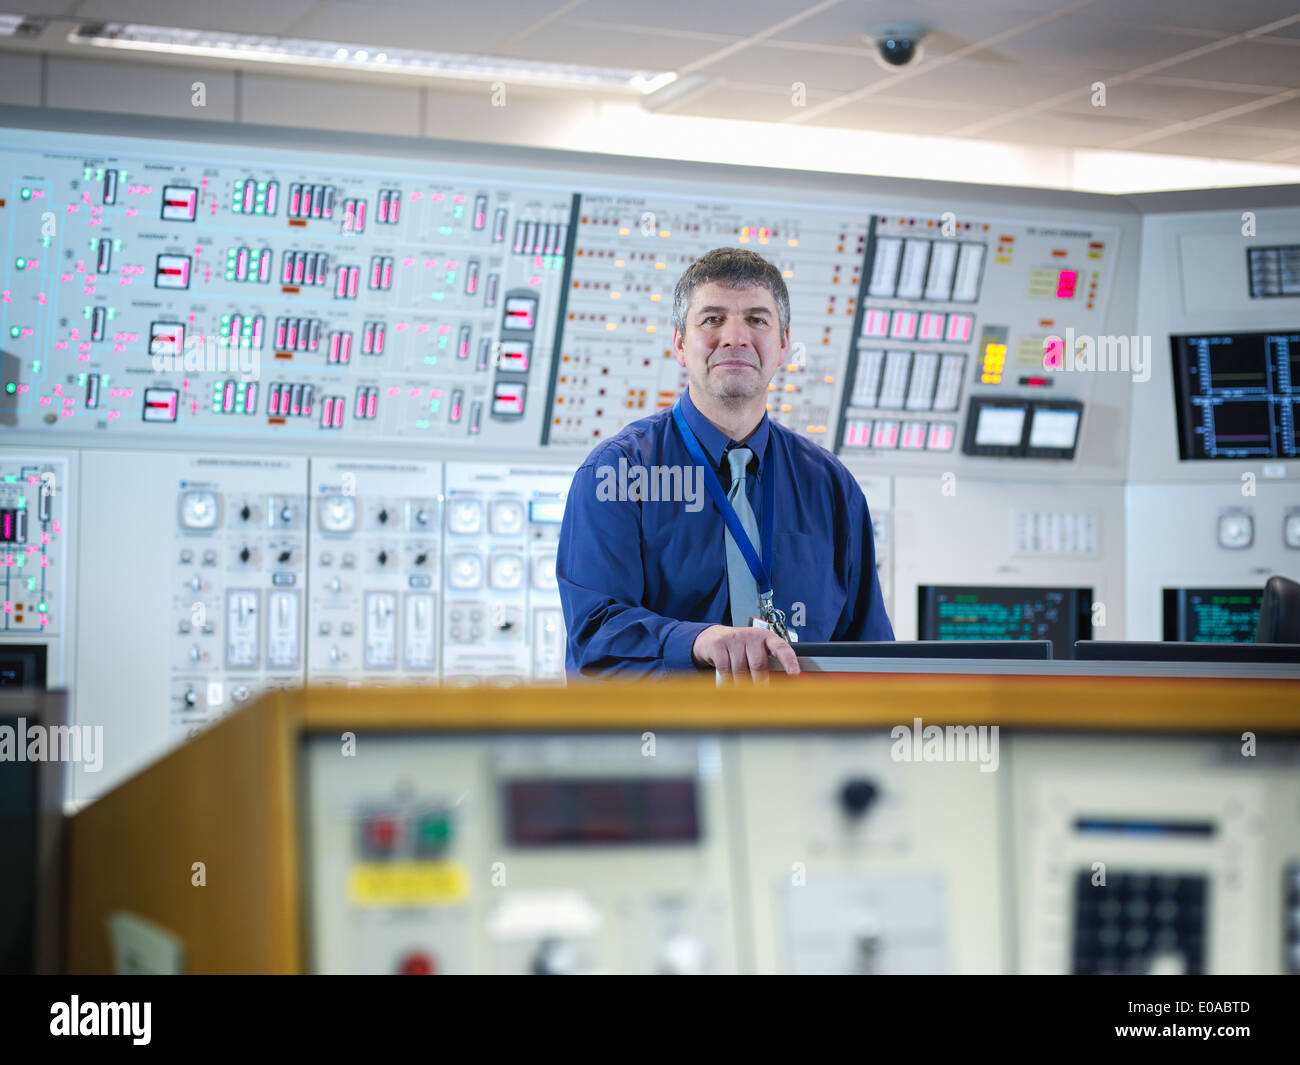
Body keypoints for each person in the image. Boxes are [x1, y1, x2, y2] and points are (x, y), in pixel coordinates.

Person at [557, 246, 894, 678]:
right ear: (680, 343)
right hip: (664, 741)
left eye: (756, 319)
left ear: (784, 343)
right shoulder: (618, 474)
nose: (735, 337)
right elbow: (595, 638)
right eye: (713, 319)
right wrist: (698, 642)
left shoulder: (831, 487)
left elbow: (871, 657)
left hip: (798, 741)